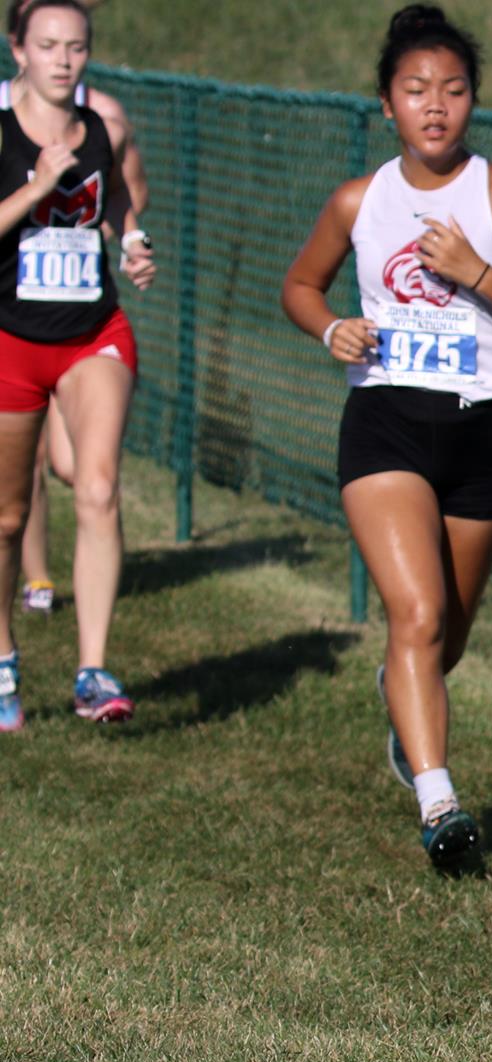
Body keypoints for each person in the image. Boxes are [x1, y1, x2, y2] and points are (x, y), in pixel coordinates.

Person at [281, 4, 492, 871]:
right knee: (414, 615)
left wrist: (477, 272)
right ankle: (440, 804)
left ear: (472, 102)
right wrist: (331, 327)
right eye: (416, 89)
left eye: (453, 89)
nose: (436, 105)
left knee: (444, 635)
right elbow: (300, 286)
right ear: (387, 104)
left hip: (482, 432)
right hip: (385, 424)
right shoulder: (360, 200)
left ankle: (402, 693)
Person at [0, 0, 154, 729]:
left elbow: (118, 200)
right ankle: (3, 656)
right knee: (6, 517)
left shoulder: (105, 129)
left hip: (94, 332)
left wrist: (133, 243)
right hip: (11, 338)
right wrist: (36, 187)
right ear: (17, 50)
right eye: (48, 45)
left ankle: (92, 671)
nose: (63, 60)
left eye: (76, 46)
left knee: (96, 489)